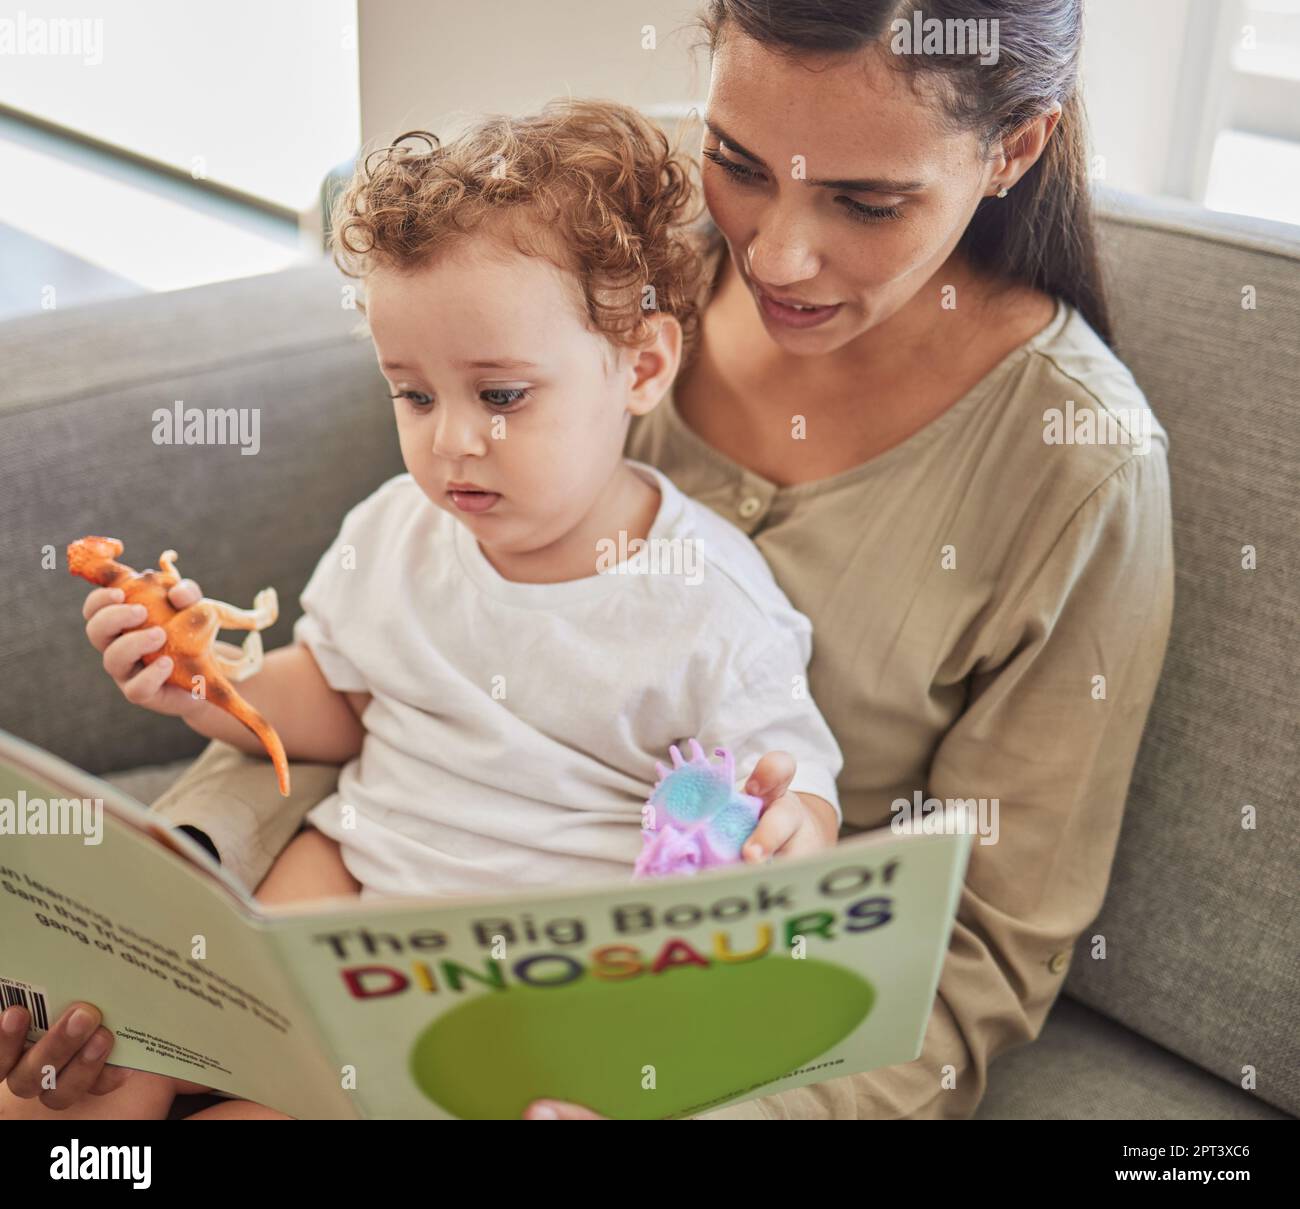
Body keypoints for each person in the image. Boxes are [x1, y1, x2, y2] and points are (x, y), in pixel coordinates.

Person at [2, 0, 1174, 1121]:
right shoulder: (600, 239)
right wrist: (164, 939)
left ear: (1015, 146)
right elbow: (388, 686)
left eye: (868, 202)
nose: (774, 254)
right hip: (350, 915)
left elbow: (969, 959)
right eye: (741, 159)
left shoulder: (1079, 475)